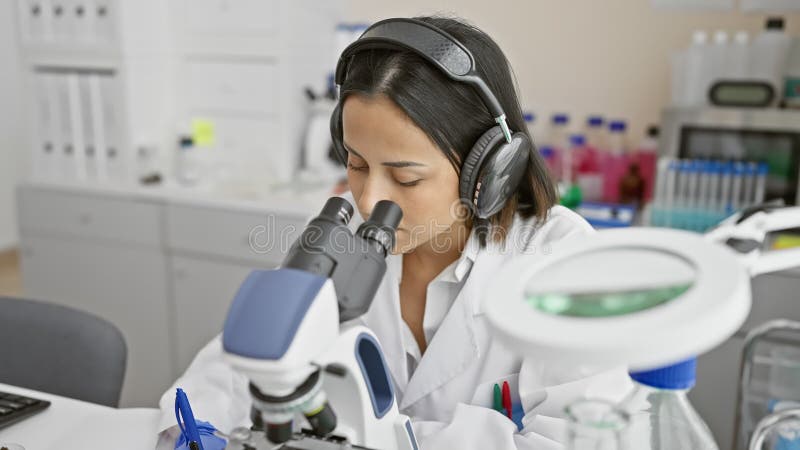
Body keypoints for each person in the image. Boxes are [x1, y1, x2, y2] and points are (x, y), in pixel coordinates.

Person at [156, 15, 631, 449]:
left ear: (487, 170)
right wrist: (193, 428)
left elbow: (582, 439)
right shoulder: (339, 234)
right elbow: (237, 368)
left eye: (406, 178)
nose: (368, 201)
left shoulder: (561, 261)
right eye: (356, 165)